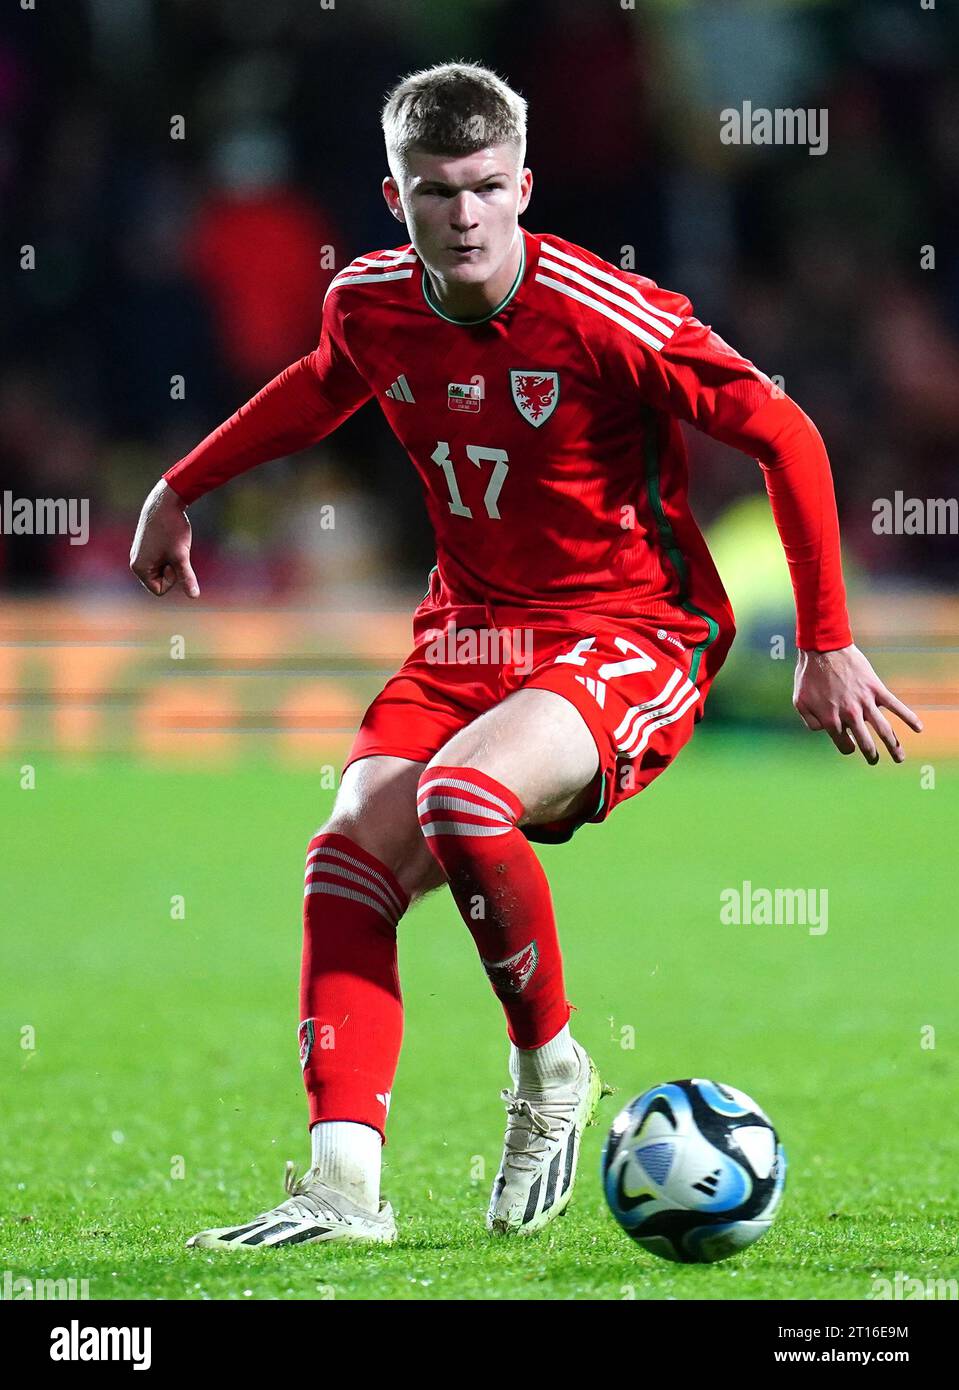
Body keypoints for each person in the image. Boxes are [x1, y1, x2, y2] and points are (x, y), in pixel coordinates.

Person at [129, 62, 921, 1248]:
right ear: (393, 198)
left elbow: (783, 430)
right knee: (344, 858)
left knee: (459, 795)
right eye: (435, 190)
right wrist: (180, 487)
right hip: (466, 634)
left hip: (629, 630)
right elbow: (323, 385)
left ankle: (549, 1069)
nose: (463, 214)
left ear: (523, 186)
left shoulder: (604, 313)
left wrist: (826, 640)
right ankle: (342, 1190)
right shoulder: (367, 303)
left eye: (486, 186)